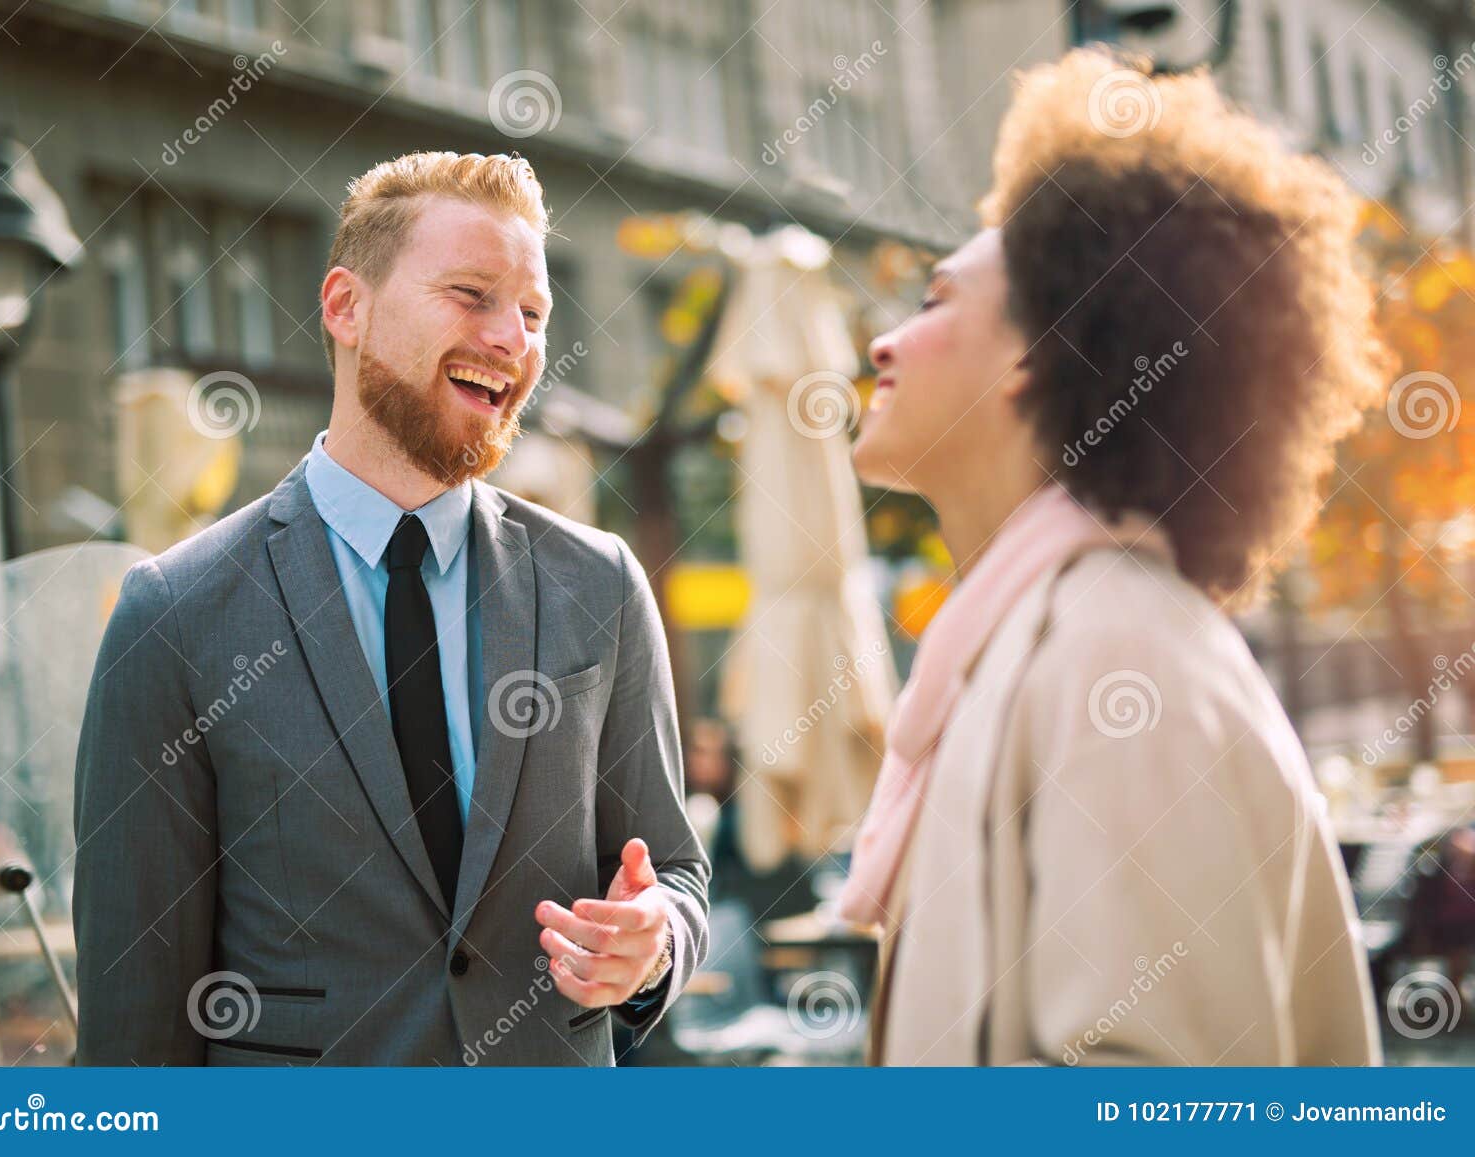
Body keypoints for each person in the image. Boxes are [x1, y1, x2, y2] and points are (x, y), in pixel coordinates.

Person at [73, 151, 709, 1066]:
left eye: (533, 314)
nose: (513, 340)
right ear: (345, 307)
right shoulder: (175, 612)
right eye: (471, 294)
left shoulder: (598, 582)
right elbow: (135, 1025)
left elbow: (677, 874)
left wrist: (655, 943)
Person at [841, 49, 1385, 1066]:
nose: (883, 344)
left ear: (1035, 354)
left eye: (930, 302)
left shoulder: (1116, 656)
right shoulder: (1044, 641)